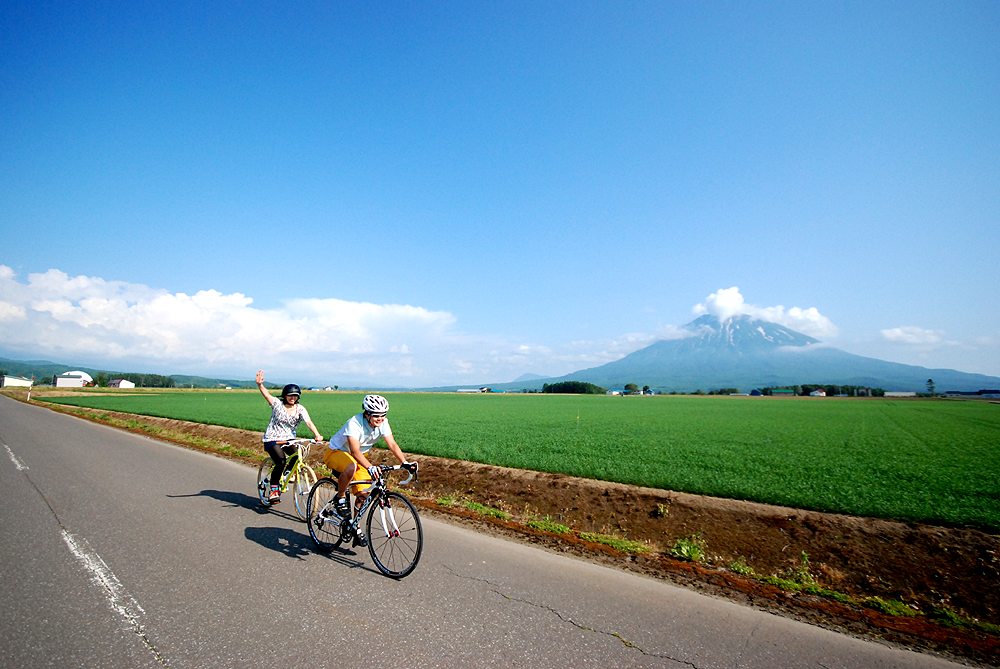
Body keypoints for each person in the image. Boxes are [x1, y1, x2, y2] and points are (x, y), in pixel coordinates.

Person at [324, 394, 416, 547]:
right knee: (351, 467)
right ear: (366, 414)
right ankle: (340, 498)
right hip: (338, 452)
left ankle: (355, 527)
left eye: (383, 415)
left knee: (363, 495)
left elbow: (392, 444)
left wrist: (404, 462)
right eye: (376, 415)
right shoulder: (354, 423)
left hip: (360, 457)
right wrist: (370, 467)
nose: (380, 419)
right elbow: (354, 451)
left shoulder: (383, 423)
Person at [256, 370, 323, 504]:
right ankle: (274, 490)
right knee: (280, 461)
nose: (292, 398)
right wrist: (260, 385)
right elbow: (267, 395)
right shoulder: (277, 404)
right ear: (285, 396)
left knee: (297, 456)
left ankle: (287, 474)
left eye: (295, 396)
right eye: (290, 395)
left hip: (288, 439)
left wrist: (317, 435)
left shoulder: (300, 409)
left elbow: (308, 422)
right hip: (273, 439)